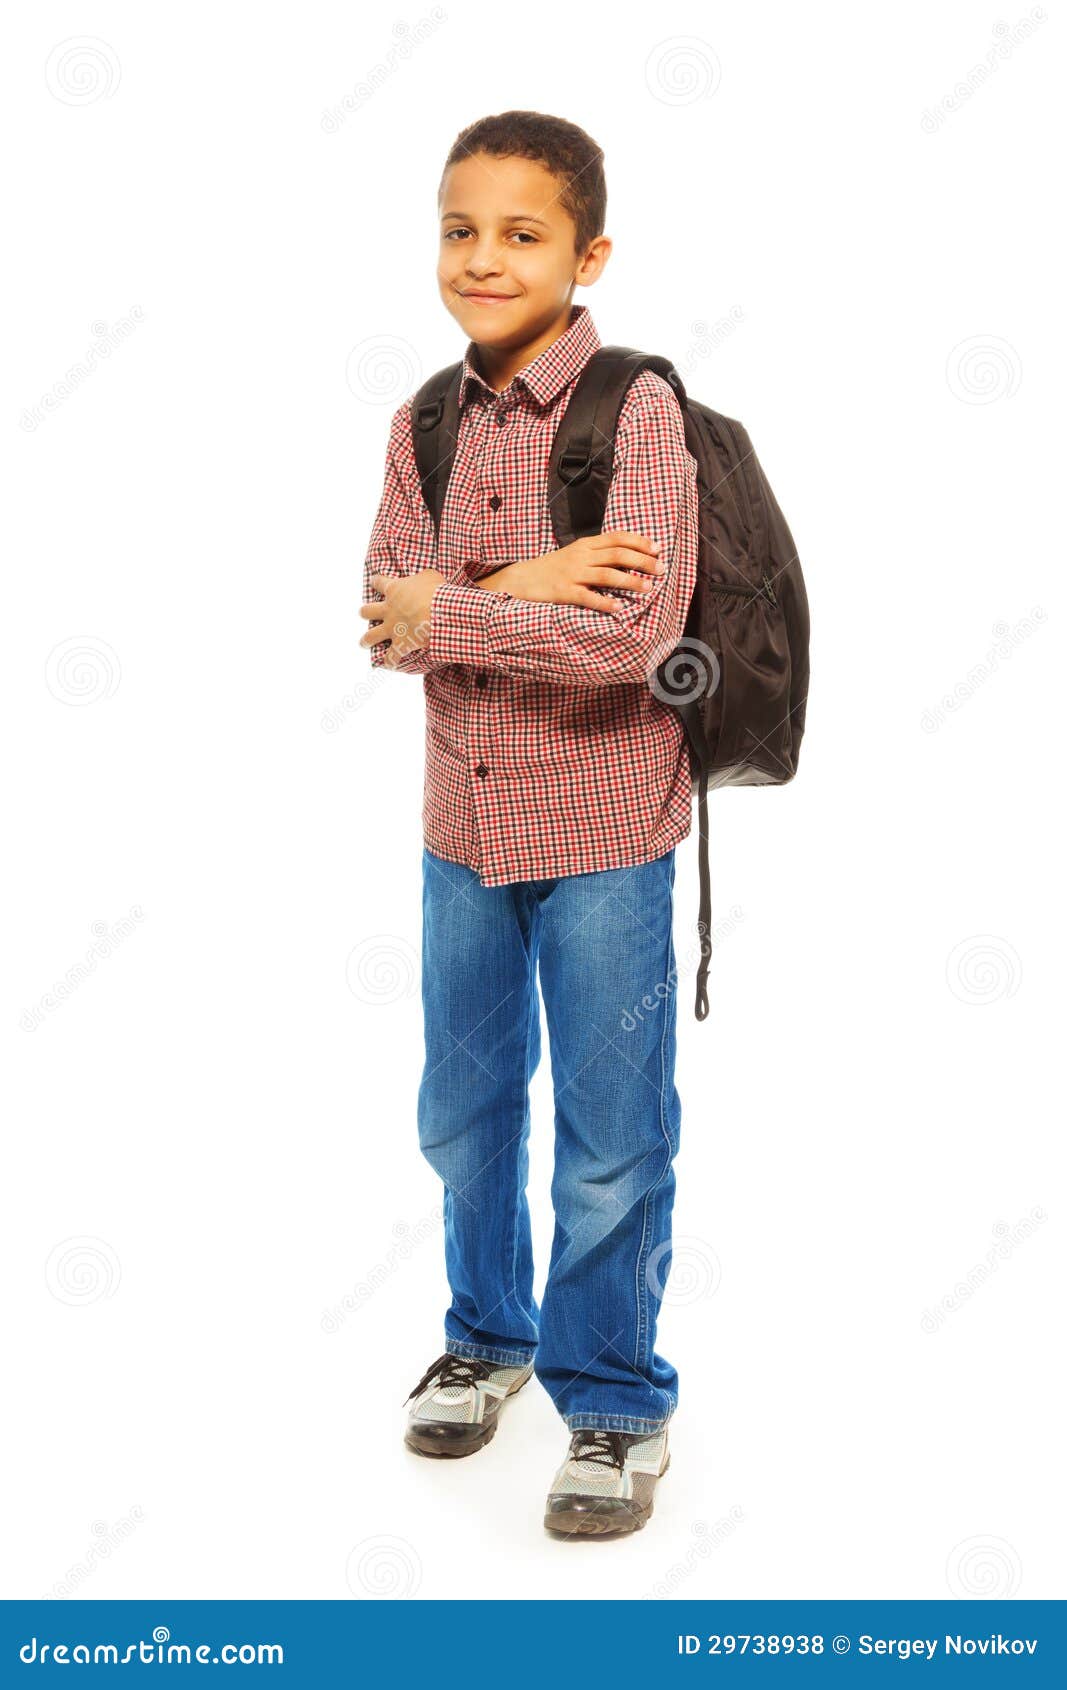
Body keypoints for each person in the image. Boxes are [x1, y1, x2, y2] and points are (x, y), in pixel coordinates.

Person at [359, 110, 699, 1538]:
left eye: (521, 232)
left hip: (606, 828)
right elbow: (386, 617)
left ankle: (614, 1399)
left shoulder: (637, 414)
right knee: (464, 1109)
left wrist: (466, 602)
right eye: (460, 227)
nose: (483, 257)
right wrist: (528, 578)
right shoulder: (422, 421)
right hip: (464, 824)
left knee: (611, 1134)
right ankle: (487, 1334)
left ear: (588, 251)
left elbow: (632, 643)